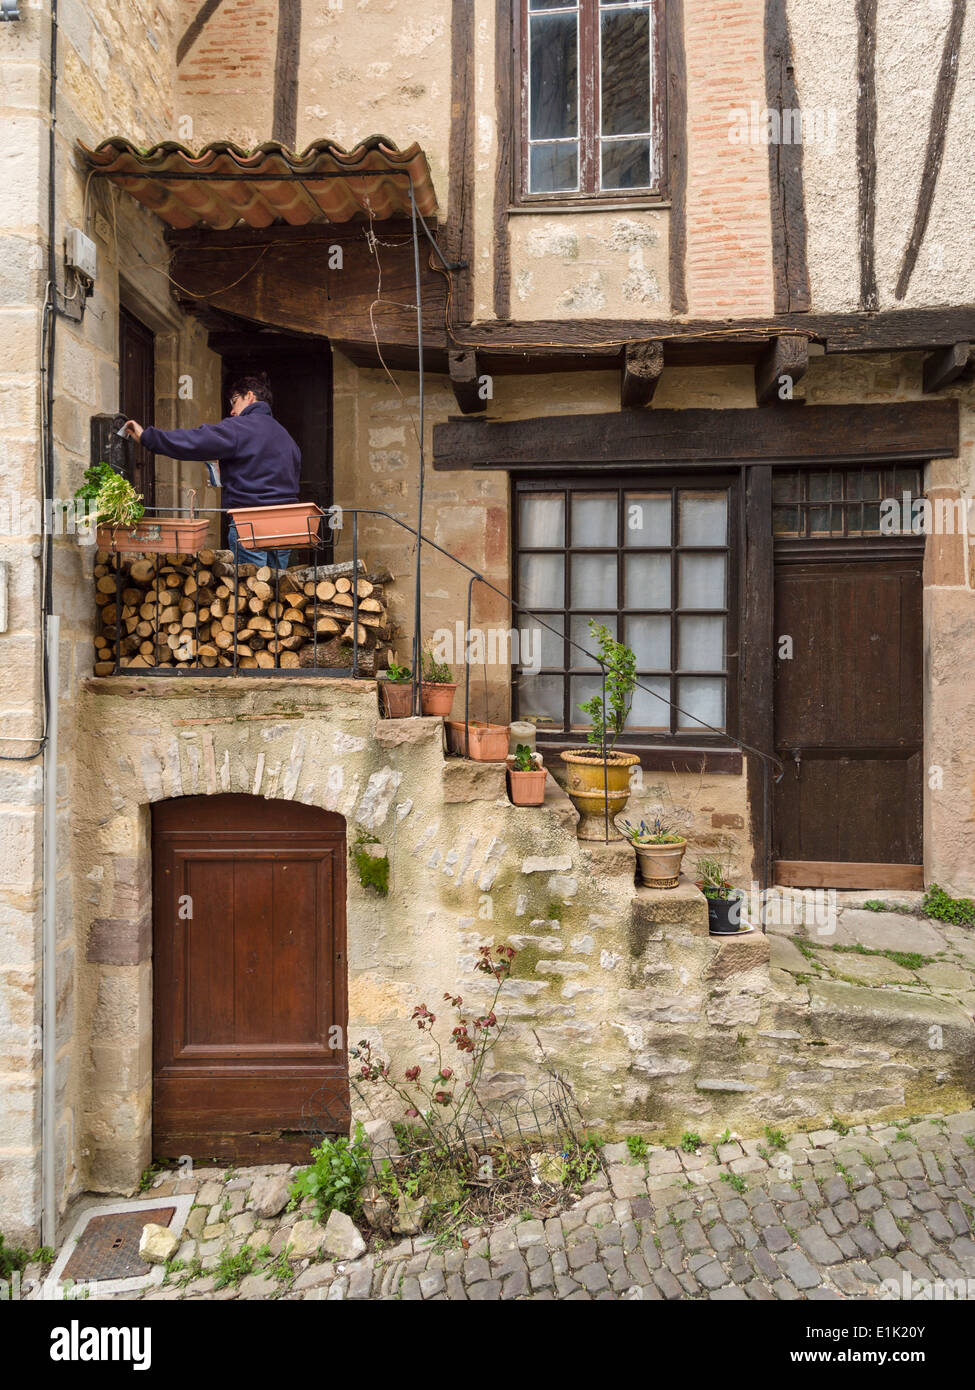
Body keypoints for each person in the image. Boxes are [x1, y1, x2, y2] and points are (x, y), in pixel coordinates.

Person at [123, 374, 301, 569]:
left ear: (249, 396)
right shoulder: (286, 437)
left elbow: (195, 441)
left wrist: (148, 437)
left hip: (251, 522)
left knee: (252, 585)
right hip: (286, 524)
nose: (232, 411)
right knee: (276, 589)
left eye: (234, 401)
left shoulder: (241, 428)